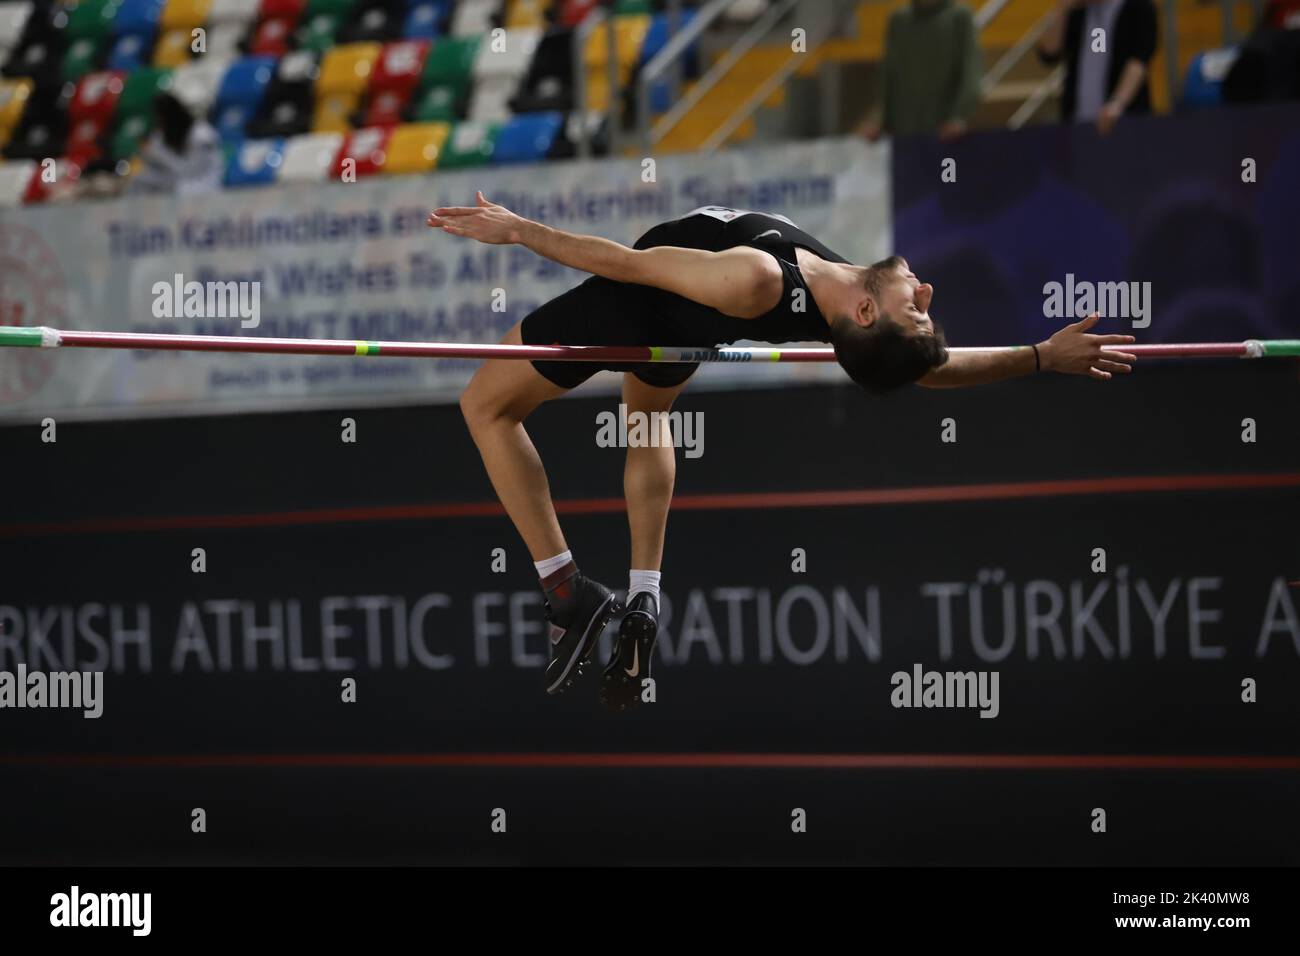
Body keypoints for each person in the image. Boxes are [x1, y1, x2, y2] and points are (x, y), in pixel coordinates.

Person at [428, 194, 1137, 710]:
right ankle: (644, 595)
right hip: (682, 330)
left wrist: (518, 230)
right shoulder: (845, 312)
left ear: (866, 313)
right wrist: (1041, 356)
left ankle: (567, 592)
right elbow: (933, 369)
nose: (924, 287)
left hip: (633, 307)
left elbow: (627, 265)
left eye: (915, 305)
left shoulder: (758, 280)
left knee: (485, 408)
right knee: (645, 420)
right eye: (922, 303)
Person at [858, 0, 983, 142]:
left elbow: (971, 69)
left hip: (947, 133)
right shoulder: (899, 20)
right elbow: (888, 75)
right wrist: (877, 119)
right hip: (904, 132)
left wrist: (959, 116)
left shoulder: (960, 16)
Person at [1037, 0, 1158, 134]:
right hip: (1077, 122)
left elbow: (1138, 62)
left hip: (1123, 122)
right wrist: (1062, 7)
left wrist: (1117, 102)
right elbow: (1049, 52)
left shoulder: (1139, 7)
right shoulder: (1078, 11)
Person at [127, 93, 223, 196]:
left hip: (202, 186)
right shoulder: (165, 133)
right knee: (139, 179)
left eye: (161, 119)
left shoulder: (201, 135)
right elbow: (152, 152)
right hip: (178, 182)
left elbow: (191, 171)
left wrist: (159, 154)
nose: (159, 123)